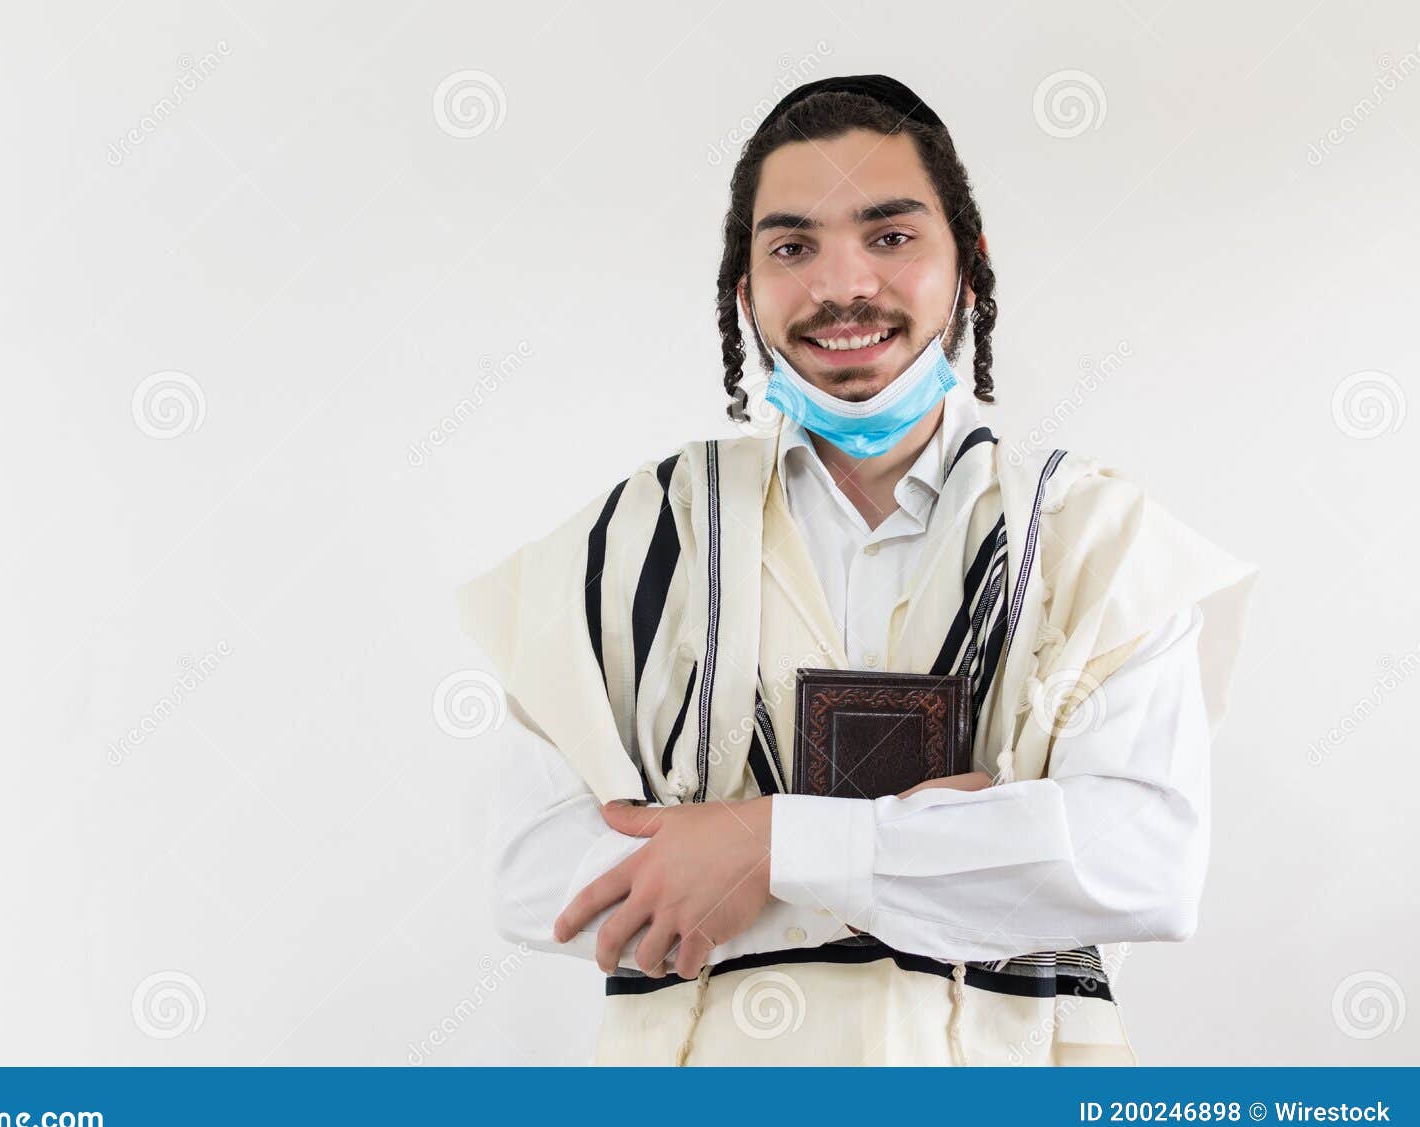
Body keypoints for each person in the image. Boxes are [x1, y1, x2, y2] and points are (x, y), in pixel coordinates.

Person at [455, 75, 1258, 1065]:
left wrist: (758, 843)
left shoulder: (1095, 538)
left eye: (889, 236)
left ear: (968, 263)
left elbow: (1143, 865)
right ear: (743, 289)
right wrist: (967, 853)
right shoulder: (633, 538)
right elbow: (537, 880)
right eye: (792, 246)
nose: (841, 284)